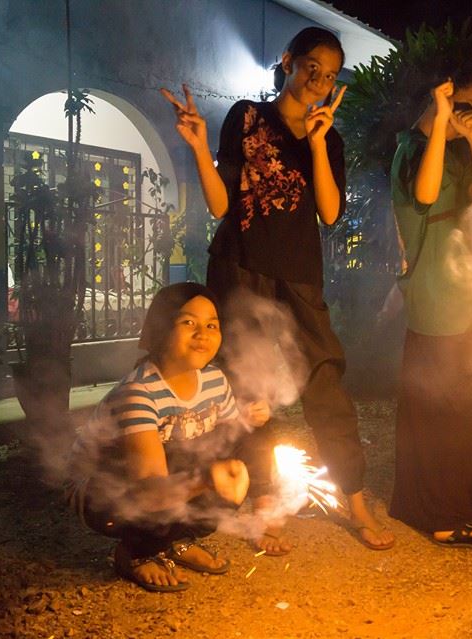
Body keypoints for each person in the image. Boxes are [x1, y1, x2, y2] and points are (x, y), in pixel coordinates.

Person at [161, 27, 395, 552]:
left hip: (300, 277)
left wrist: (315, 142)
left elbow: (330, 213)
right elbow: (222, 204)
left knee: (325, 384)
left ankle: (355, 500)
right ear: (288, 61)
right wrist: (199, 147)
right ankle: (265, 501)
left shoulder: (327, 137)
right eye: (312, 65)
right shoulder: (246, 117)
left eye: (331, 74)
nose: (319, 80)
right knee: (251, 393)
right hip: (241, 269)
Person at [66, 282, 272, 592]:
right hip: (101, 492)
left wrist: (250, 421)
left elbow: (232, 438)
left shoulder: (215, 380)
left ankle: (177, 540)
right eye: (188, 322)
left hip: (169, 474)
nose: (203, 333)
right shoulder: (138, 394)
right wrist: (207, 478)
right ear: (161, 328)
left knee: (244, 444)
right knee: (188, 463)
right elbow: (148, 487)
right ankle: (136, 552)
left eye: (212, 325)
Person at [387, 74, 472, 552]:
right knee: (451, 414)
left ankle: (430, 507)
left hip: (462, 301)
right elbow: (424, 196)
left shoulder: (457, 152)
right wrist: (443, 121)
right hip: (439, 303)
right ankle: (449, 518)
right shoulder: (412, 150)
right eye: (466, 106)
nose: (470, 117)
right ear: (441, 99)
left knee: (455, 413)